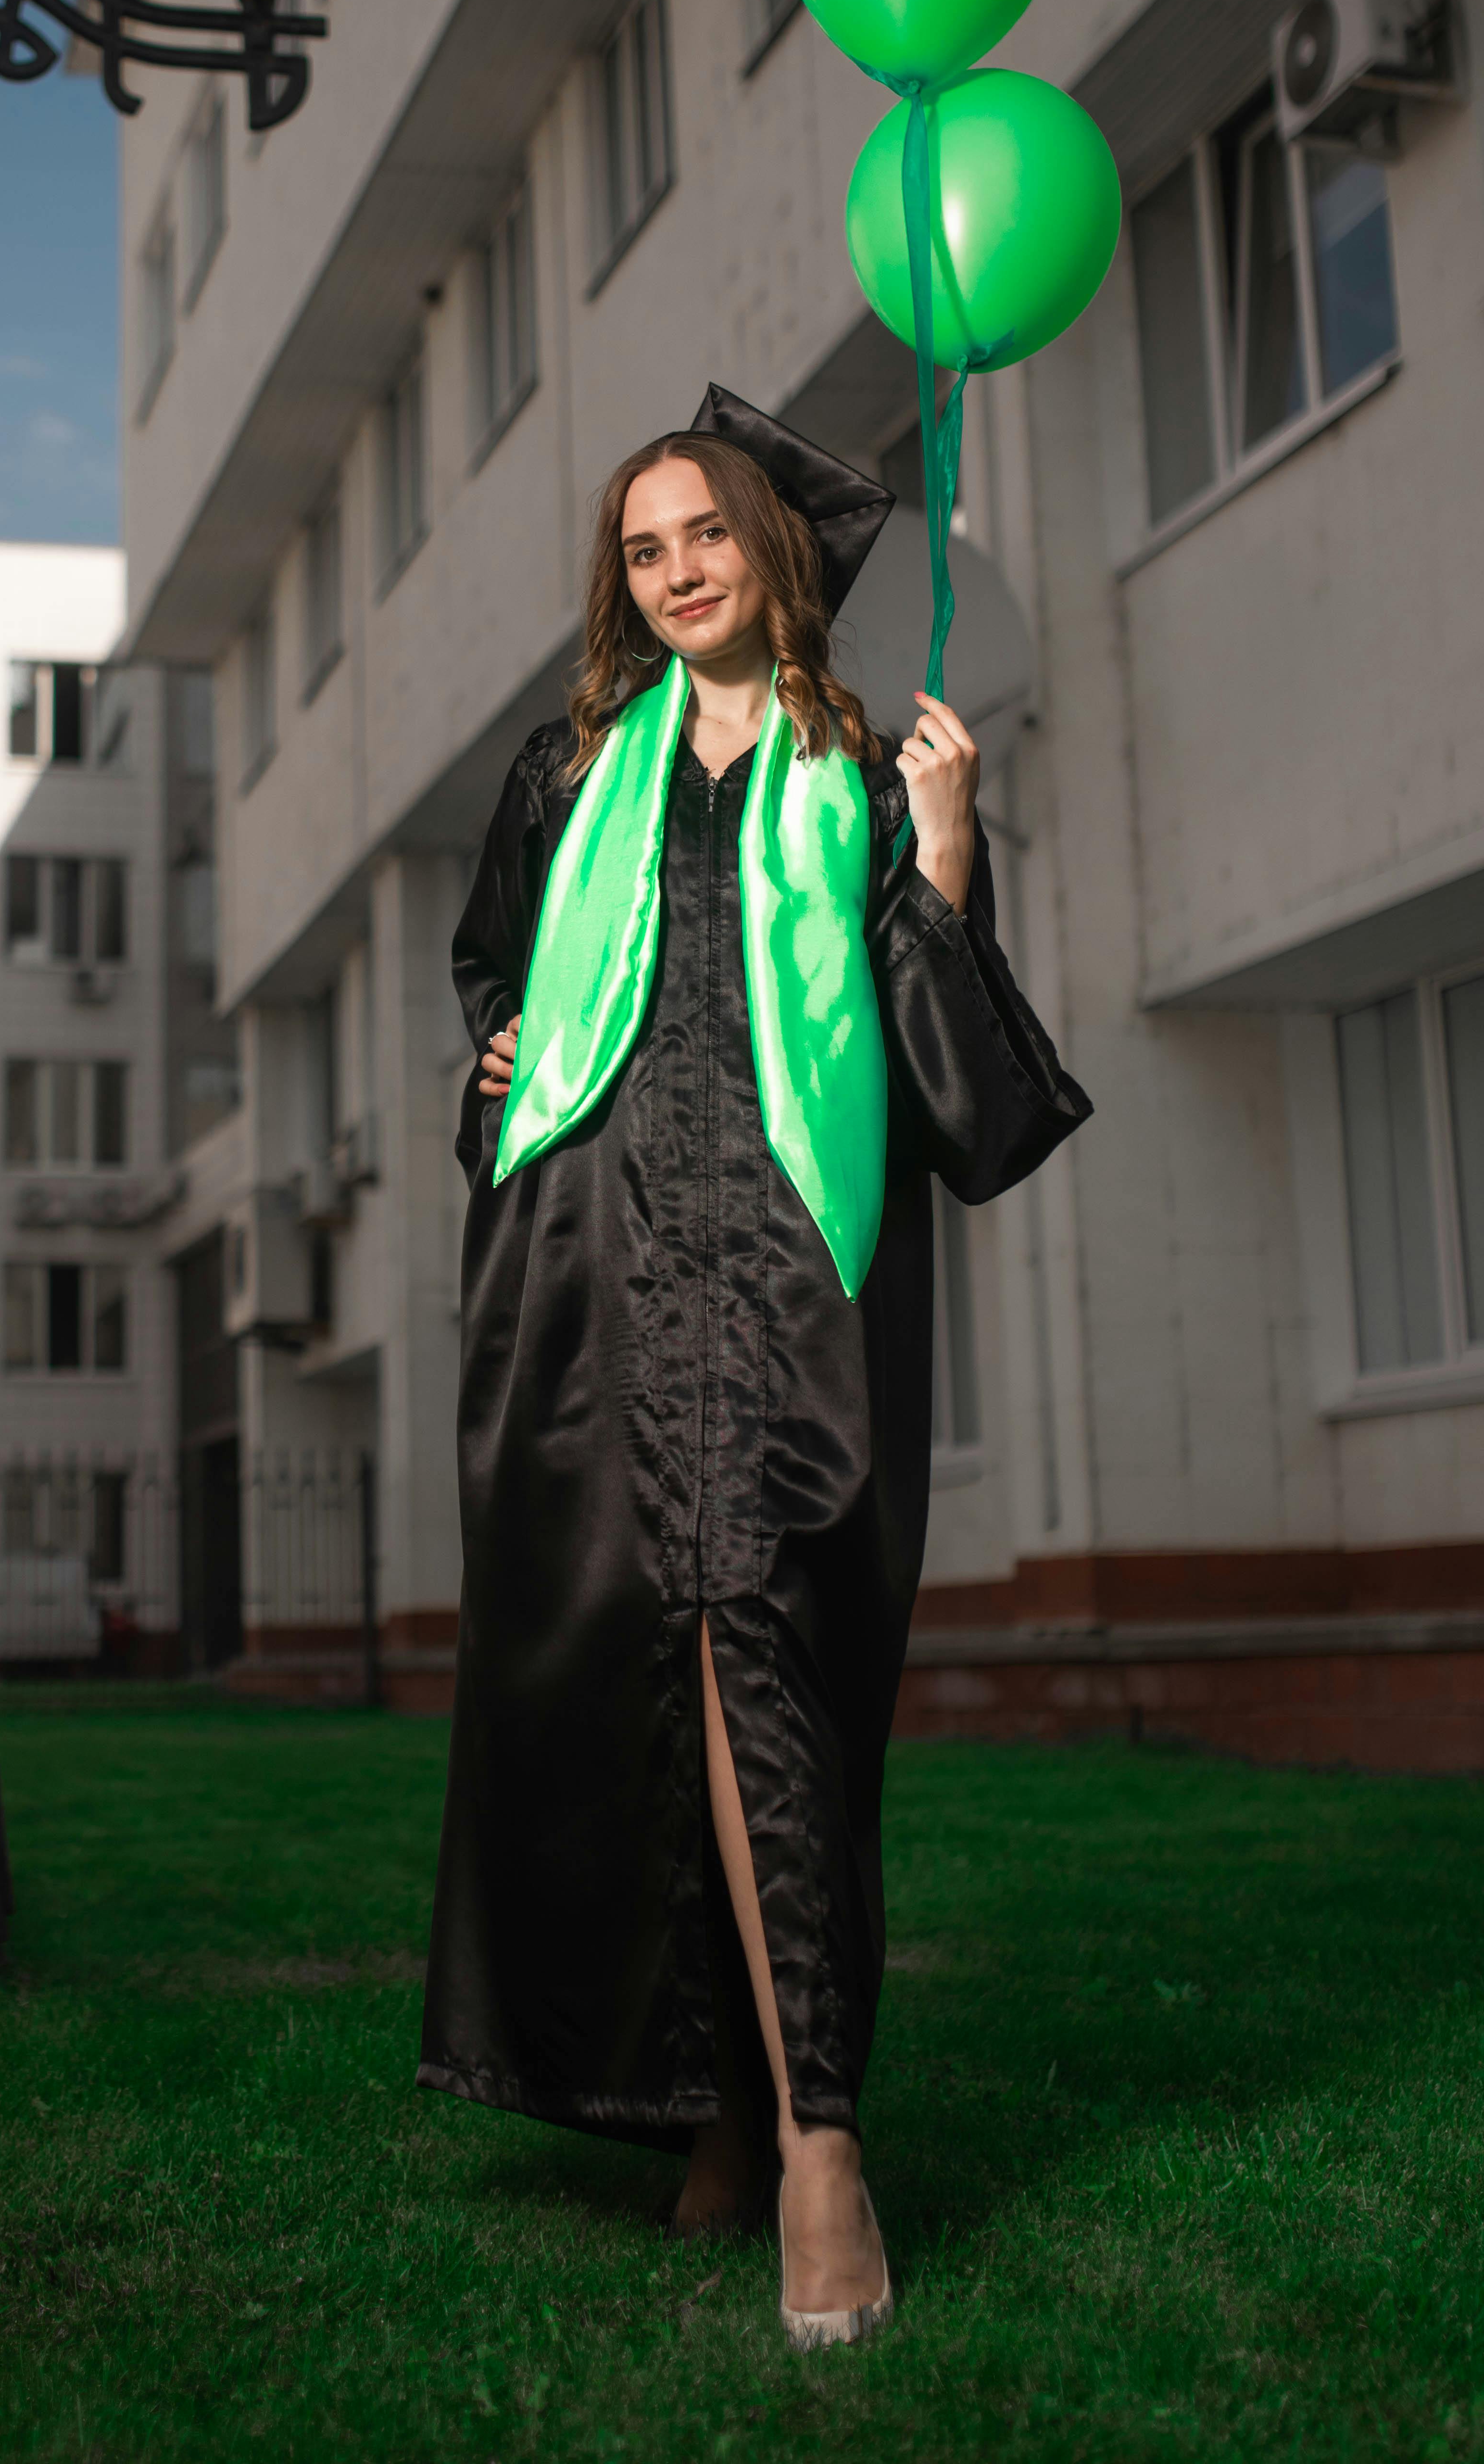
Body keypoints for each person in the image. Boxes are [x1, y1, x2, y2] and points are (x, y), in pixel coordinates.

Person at [418, 389, 1090, 2351]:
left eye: (702, 532)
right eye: (641, 550)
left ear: (770, 551)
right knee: (630, 1673)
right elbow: (497, 967)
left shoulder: (858, 773)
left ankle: (817, 2146)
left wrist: (948, 855)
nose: (675, 569)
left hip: (789, 1280)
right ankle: (711, 2104)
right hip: (585, 1275)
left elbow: (946, 1069)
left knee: (761, 1658)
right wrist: (489, 1054)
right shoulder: (570, 767)